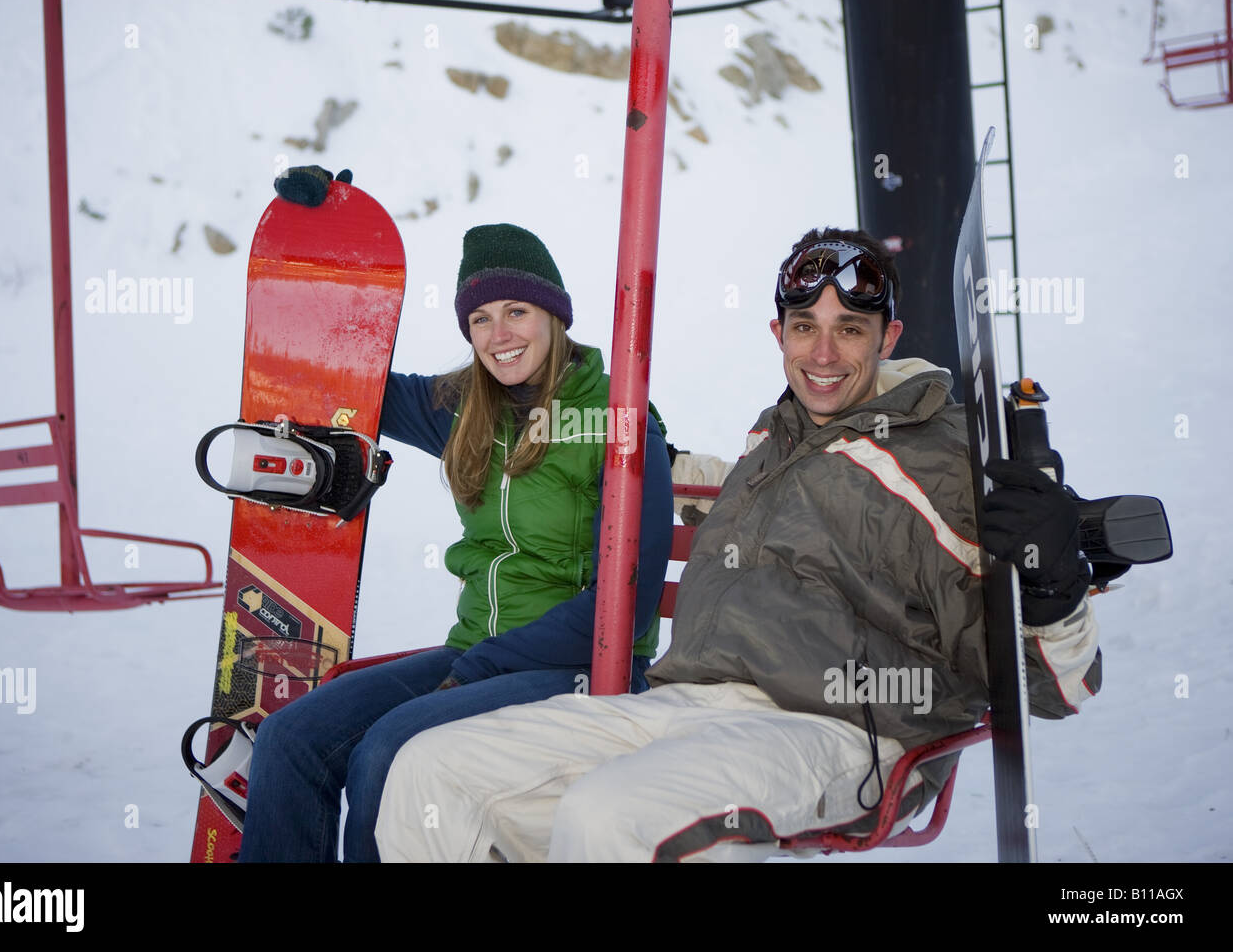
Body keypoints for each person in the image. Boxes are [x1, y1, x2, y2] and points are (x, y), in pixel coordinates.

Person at [373, 227, 1102, 862]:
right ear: (776, 334)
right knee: (430, 773)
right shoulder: (778, 438)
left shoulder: (945, 454)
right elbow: (717, 485)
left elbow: (1059, 687)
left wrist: (1051, 586)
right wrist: (623, 450)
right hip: (698, 701)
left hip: (847, 728)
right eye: (803, 326)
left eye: (849, 327)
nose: (823, 351)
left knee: (611, 815)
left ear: (888, 338)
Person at [238, 212, 673, 862]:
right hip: (476, 656)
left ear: (554, 316)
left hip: (587, 672)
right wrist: (315, 243)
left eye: (517, 311)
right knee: (289, 739)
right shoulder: (468, 408)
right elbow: (349, 380)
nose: (499, 335)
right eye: (480, 319)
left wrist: (479, 667)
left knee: (388, 751)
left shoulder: (618, 417)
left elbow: (627, 604)